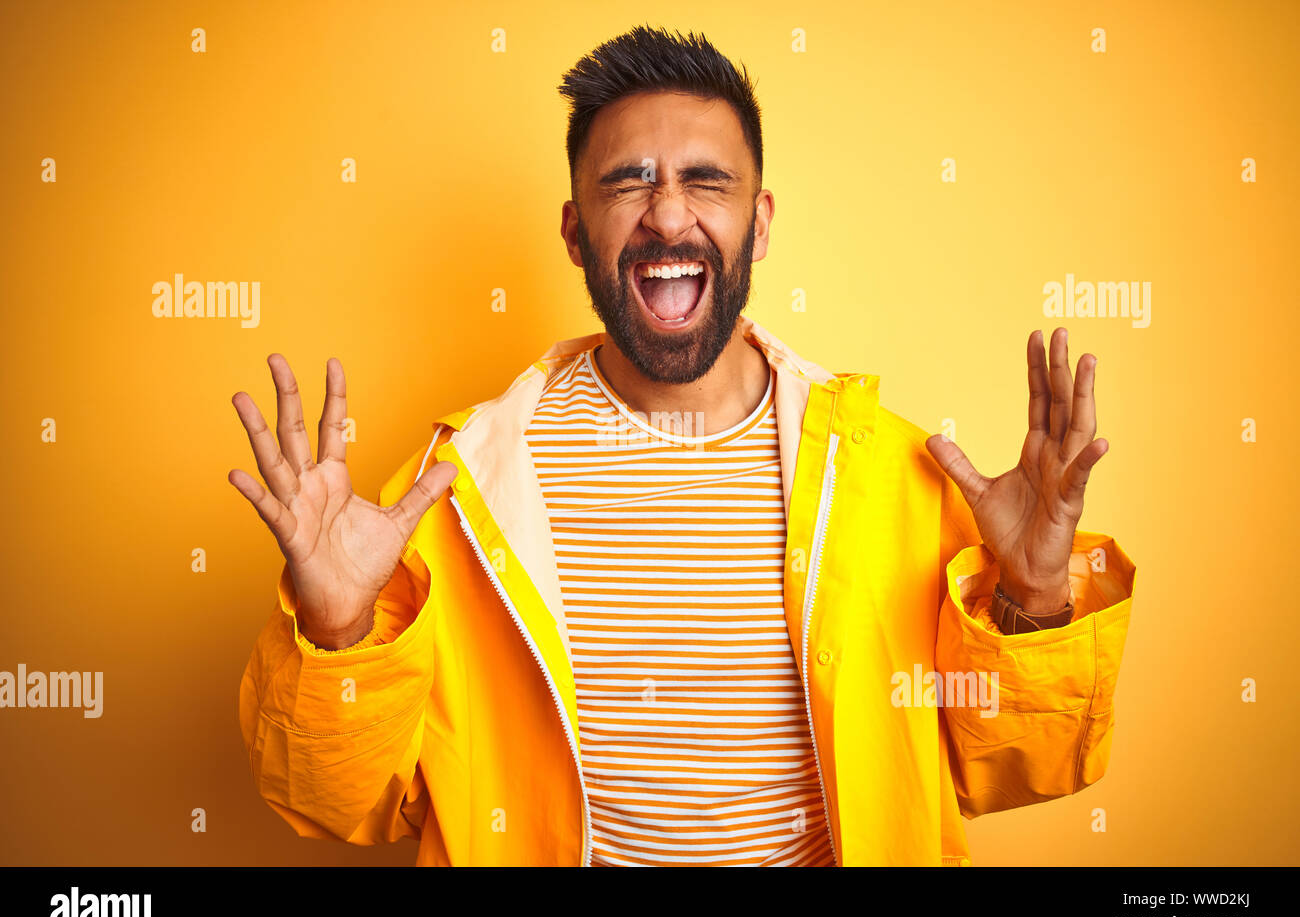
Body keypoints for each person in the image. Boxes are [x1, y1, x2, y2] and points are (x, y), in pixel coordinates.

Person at [232, 25, 1135, 866]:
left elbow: (1015, 768)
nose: (667, 216)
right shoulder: (458, 489)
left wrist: (1034, 595)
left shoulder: (889, 478)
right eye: (627, 181)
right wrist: (339, 630)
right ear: (576, 229)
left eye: (707, 180)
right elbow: (346, 803)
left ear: (763, 221)